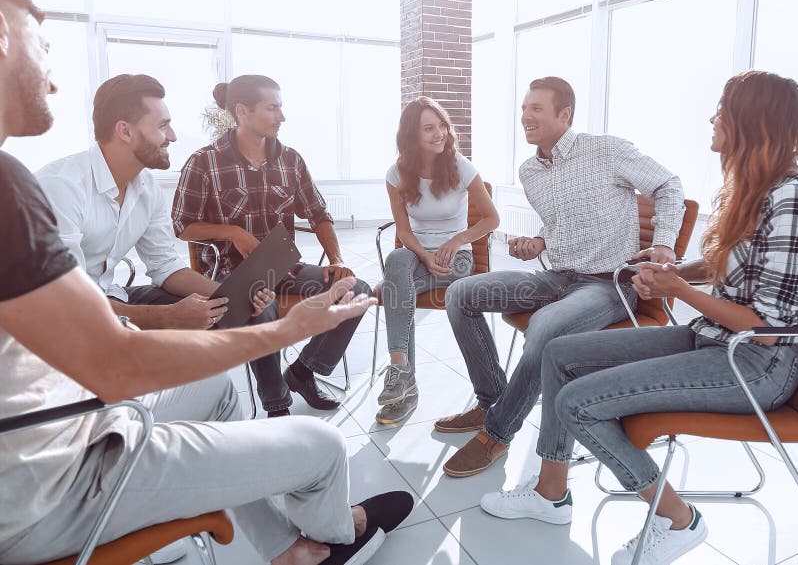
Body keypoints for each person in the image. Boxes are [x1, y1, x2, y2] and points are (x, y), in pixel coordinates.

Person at [0, 0, 412, 565]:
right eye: (43, 45)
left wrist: (230, 296)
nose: (52, 80)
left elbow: (165, 267)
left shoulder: (142, 188)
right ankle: (325, 539)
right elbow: (111, 358)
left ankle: (288, 548)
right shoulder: (35, 188)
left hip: (68, 417)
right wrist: (279, 327)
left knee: (219, 388)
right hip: (47, 483)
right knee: (324, 445)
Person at [528, 70, 798, 565]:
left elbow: (763, 329)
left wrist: (677, 289)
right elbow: (727, 270)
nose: (714, 116)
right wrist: (674, 268)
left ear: (753, 122)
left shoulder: (789, 199)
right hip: (712, 340)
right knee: (559, 353)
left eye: (723, 107)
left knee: (577, 402)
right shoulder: (752, 188)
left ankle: (678, 518)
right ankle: (550, 492)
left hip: (754, 366)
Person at [436, 76, 686, 478]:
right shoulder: (530, 171)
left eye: (536, 108)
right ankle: (492, 399)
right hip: (556, 276)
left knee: (544, 327)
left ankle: (498, 433)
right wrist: (537, 242)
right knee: (460, 293)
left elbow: (669, 185)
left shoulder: (606, 149)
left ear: (564, 114)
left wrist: (665, 243)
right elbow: (561, 224)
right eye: (523, 108)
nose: (525, 116)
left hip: (609, 284)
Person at [173, 75, 372, 415]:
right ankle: (277, 406)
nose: (282, 117)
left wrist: (336, 258)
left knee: (354, 290)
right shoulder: (204, 162)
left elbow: (319, 214)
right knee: (260, 307)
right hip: (228, 276)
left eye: (281, 107)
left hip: (282, 267)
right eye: (273, 108)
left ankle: (302, 373)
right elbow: (182, 226)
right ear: (243, 111)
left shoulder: (291, 160)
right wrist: (233, 232)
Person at [37, 74, 275, 333]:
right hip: (56, 316)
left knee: (224, 309)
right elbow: (66, 300)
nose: (172, 136)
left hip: (107, 295)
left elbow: (164, 265)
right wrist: (166, 317)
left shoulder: (148, 188)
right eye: (163, 125)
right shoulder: (61, 187)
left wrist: (232, 294)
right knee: (183, 318)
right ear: (125, 131)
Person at [375, 96, 498, 425]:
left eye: (442, 125)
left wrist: (457, 241)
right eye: (429, 128)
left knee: (395, 289)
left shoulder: (461, 167)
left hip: (456, 260)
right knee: (397, 260)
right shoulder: (396, 174)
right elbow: (403, 231)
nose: (439, 133)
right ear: (411, 136)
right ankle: (401, 372)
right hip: (418, 256)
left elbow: (491, 219)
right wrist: (425, 257)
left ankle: (403, 386)